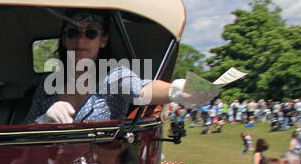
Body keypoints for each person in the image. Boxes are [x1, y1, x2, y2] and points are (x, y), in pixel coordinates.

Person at [23, 11, 202, 124]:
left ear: (103, 40)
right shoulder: (50, 83)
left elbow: (141, 89)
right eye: (72, 33)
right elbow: (24, 133)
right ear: (64, 39)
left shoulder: (113, 76)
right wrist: (44, 120)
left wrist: (177, 91)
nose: (80, 40)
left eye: (90, 33)